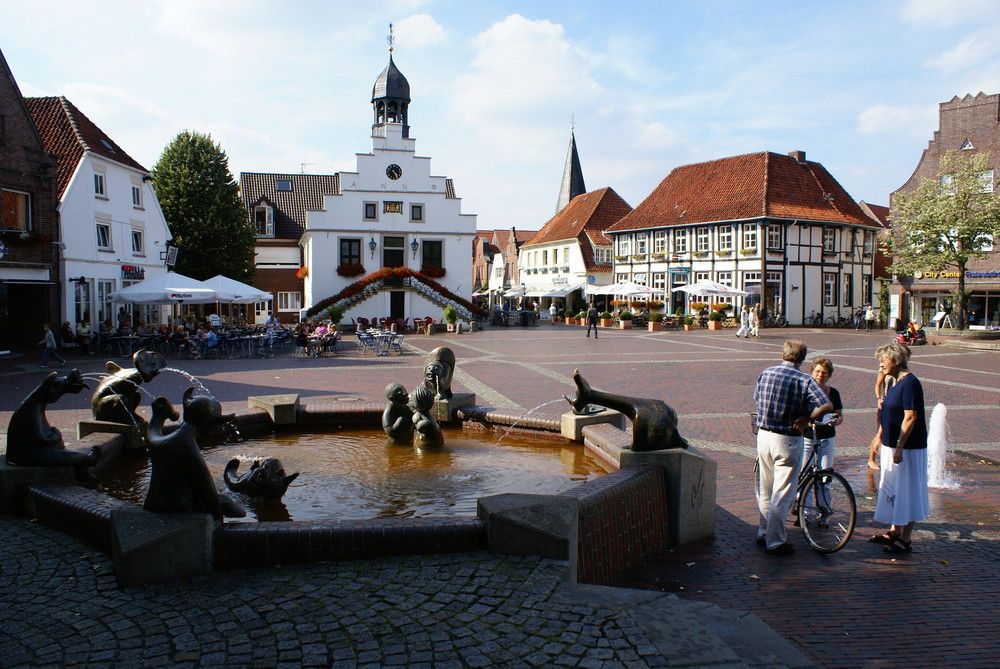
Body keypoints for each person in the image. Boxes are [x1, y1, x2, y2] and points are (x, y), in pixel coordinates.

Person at [753, 340, 833, 555]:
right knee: (782, 492)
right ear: (802, 358)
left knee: (766, 487)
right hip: (788, 439)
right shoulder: (804, 379)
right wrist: (808, 417)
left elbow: (757, 399)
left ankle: (763, 531)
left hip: (764, 435)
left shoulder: (766, 373)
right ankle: (775, 541)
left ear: (784, 354)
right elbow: (826, 405)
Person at [870, 343, 929, 553]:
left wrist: (899, 446)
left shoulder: (910, 383)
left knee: (908, 489)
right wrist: (880, 437)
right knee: (895, 487)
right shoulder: (894, 381)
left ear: (895, 361)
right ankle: (895, 530)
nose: (880, 365)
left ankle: (906, 538)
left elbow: (910, 417)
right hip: (891, 445)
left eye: (883, 361)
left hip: (908, 449)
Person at [802, 358, 843, 508]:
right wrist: (806, 421)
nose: (820, 375)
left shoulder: (833, 393)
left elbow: (839, 416)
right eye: (817, 371)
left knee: (825, 475)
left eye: (824, 372)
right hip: (807, 437)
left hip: (826, 437)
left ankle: (824, 509)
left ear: (829, 375)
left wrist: (835, 421)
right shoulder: (805, 391)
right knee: (805, 474)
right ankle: (805, 511)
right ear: (812, 372)